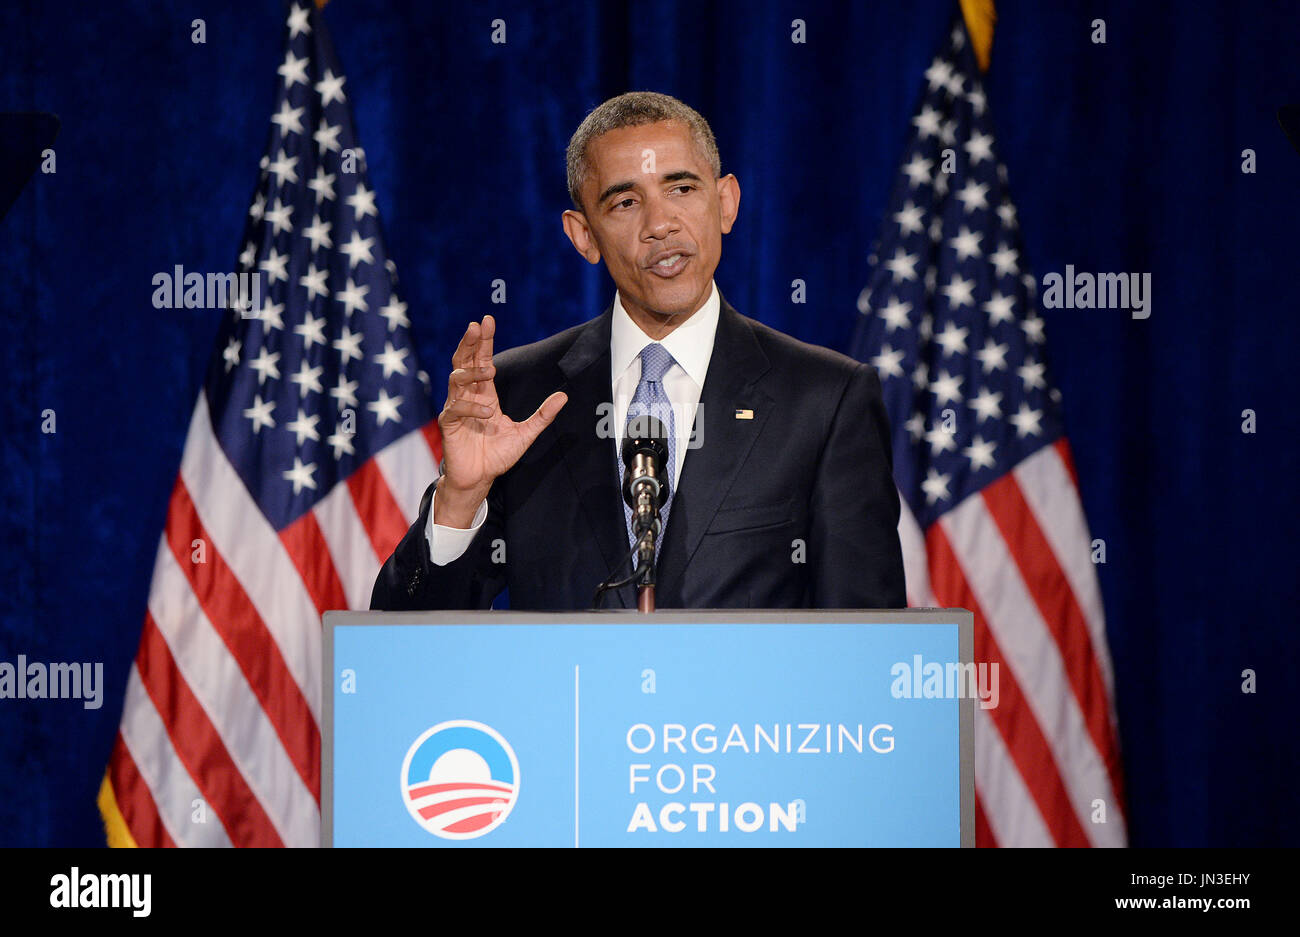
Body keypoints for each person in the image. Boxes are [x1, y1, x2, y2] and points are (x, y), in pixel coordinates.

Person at [371, 92, 905, 611]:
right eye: (626, 202)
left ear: (725, 203)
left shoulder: (824, 399)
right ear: (584, 236)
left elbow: (866, 642)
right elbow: (405, 637)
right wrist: (461, 496)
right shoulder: (519, 397)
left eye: (681, 189)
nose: (659, 225)